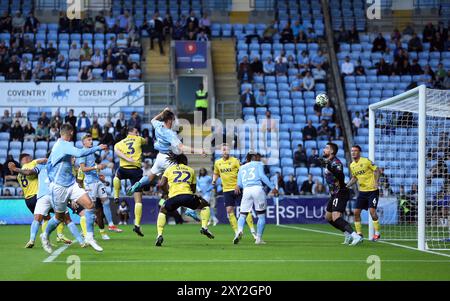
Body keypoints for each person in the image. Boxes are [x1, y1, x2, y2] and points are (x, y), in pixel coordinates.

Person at [40, 123, 107, 253]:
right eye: (73, 132)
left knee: (90, 205)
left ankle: (90, 237)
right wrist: (97, 147)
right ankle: (45, 235)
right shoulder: (62, 145)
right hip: (59, 187)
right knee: (59, 217)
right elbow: (80, 152)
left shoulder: (62, 146)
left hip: (71, 184)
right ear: (70, 132)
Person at [125, 108, 206, 196]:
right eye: (173, 120)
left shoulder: (159, 125)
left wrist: (163, 112)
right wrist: (199, 150)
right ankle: (184, 203)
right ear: (169, 120)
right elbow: (182, 148)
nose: (174, 122)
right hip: (169, 159)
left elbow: (153, 120)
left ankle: (139, 184)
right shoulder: (170, 134)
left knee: (151, 175)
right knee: (180, 179)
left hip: (160, 157)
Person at [9, 158, 85, 249]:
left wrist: (15, 169)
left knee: (37, 219)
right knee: (67, 219)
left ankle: (32, 240)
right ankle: (80, 241)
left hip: (42, 196)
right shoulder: (60, 168)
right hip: (55, 196)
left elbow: (29, 173)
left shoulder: (40, 167)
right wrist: (71, 199)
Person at [155, 153, 214, 246]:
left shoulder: (169, 169)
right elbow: (193, 189)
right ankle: (204, 227)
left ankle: (159, 235)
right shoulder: (190, 170)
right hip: (187, 196)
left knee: (162, 210)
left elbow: (161, 184)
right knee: (204, 205)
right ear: (185, 161)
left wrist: (168, 193)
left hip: (173, 197)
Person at [78, 134, 122, 238]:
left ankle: (111, 225)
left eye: (91, 140)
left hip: (96, 181)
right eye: (89, 140)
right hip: (89, 183)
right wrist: (96, 167)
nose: (91, 141)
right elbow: (83, 169)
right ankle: (87, 231)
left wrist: (98, 173)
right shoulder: (82, 153)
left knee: (106, 201)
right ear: (83, 142)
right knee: (91, 207)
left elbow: (92, 167)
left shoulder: (91, 152)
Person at [212, 143, 257, 239]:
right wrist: (214, 180)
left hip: (237, 189)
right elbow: (216, 173)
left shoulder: (235, 161)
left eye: (227, 149)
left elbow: (242, 173)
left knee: (245, 209)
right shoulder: (217, 162)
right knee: (229, 210)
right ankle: (237, 232)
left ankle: (253, 231)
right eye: (224, 149)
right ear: (221, 151)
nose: (225, 151)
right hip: (226, 190)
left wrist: (239, 184)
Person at [322, 142, 362, 246]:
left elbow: (340, 176)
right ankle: (347, 234)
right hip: (334, 193)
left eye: (326, 148)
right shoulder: (329, 162)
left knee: (336, 217)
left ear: (331, 151)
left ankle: (355, 235)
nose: (324, 149)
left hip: (340, 192)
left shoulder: (336, 163)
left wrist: (329, 166)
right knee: (328, 218)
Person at [234, 152, 278, 244]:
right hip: (257, 189)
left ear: (247, 159)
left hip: (246, 191)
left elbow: (239, 184)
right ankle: (258, 239)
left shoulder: (241, 168)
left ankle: (239, 231)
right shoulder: (258, 164)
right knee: (261, 216)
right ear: (254, 158)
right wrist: (272, 187)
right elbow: (262, 176)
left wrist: (238, 186)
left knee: (242, 214)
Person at [112, 127, 147, 237]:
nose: (137, 133)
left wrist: (127, 158)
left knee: (116, 176)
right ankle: (137, 225)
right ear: (130, 133)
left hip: (124, 168)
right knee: (138, 201)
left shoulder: (119, 143)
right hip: (136, 170)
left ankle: (116, 196)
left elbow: (117, 153)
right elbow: (146, 141)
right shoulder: (138, 139)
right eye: (136, 132)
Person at [346, 145, 381, 241]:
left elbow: (377, 170)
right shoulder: (352, 165)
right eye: (352, 151)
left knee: (372, 212)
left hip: (372, 191)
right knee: (356, 213)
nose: (353, 152)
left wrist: (376, 182)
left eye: (355, 151)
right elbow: (354, 178)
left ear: (359, 152)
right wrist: (347, 186)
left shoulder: (366, 161)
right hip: (362, 192)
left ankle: (377, 233)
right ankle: (359, 234)